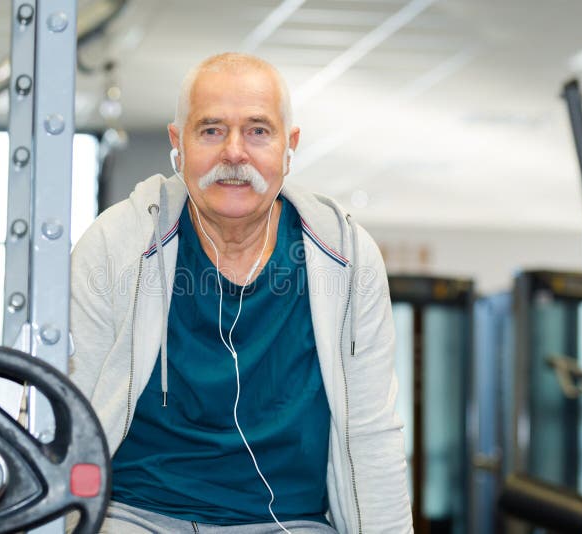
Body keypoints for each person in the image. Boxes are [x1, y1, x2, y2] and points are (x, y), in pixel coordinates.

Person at [70, 52, 412, 533]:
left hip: (289, 522)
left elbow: (373, 431)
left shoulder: (347, 259)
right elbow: (69, 413)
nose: (234, 153)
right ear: (178, 144)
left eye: (257, 131)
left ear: (289, 147)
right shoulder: (115, 245)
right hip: (138, 514)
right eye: (211, 130)